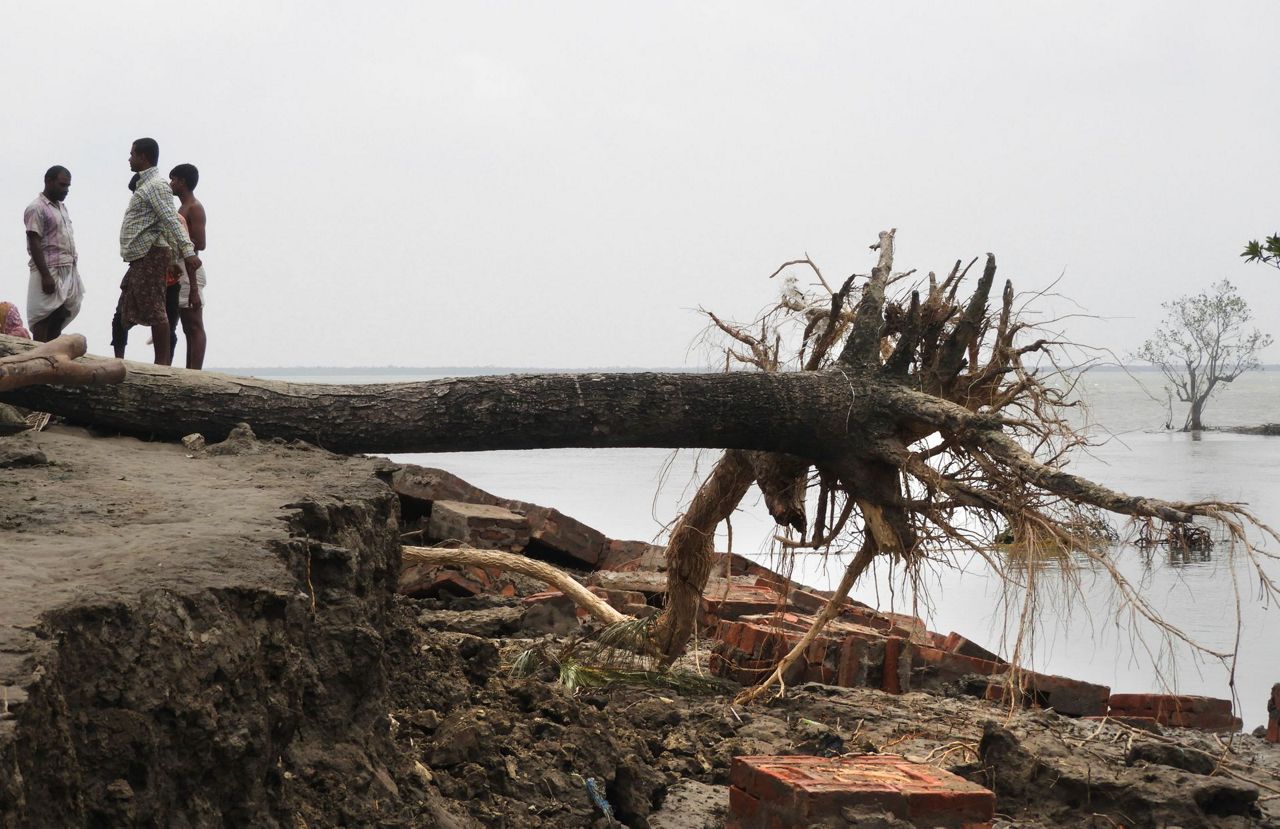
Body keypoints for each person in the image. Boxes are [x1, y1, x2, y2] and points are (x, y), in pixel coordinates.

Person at [117, 138, 200, 365]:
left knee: (156, 310)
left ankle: (161, 364)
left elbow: (171, 221)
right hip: (143, 255)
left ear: (143, 157)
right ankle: (157, 362)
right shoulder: (145, 185)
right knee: (133, 304)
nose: (129, 159)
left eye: (132, 154)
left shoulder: (156, 186)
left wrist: (187, 252)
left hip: (151, 254)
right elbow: (161, 224)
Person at [24, 166, 85, 342]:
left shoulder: (62, 208)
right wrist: (45, 275)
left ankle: (52, 355)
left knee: (60, 313)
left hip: (67, 268)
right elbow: (34, 241)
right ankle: (39, 354)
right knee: (43, 317)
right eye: (62, 185)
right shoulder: (36, 208)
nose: (66, 190)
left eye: (68, 186)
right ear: (48, 181)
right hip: (48, 268)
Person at [169, 163, 207, 369]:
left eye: (173, 179)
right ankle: (189, 371)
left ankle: (195, 372)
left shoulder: (194, 207)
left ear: (182, 182)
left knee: (194, 325)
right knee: (186, 326)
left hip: (190, 269)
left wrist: (180, 240)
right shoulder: (181, 208)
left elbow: (200, 243)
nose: (171, 184)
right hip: (180, 269)